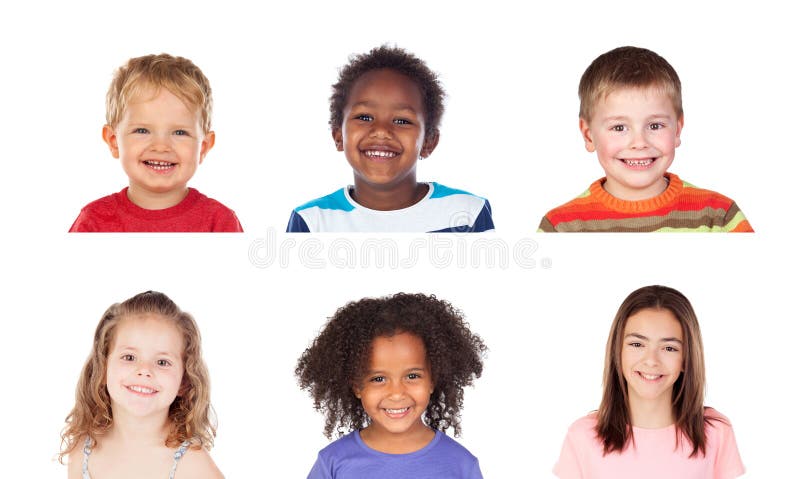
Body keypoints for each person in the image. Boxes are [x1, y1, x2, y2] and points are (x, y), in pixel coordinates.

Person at [539, 46, 753, 232]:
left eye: (654, 126)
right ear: (588, 135)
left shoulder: (718, 217)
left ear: (677, 130)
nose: (639, 143)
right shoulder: (561, 226)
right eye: (619, 127)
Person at [287, 45, 494, 232]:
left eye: (402, 121)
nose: (382, 131)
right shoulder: (312, 222)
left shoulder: (468, 213)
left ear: (429, 142)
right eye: (364, 117)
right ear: (338, 136)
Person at [554, 285, 744, 478]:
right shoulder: (582, 436)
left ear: (686, 360)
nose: (651, 361)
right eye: (637, 344)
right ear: (617, 352)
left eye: (669, 348)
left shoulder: (715, 432)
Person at [296, 293, 486, 478]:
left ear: (433, 380)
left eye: (412, 376)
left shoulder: (460, 465)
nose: (396, 394)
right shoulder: (333, 462)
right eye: (378, 379)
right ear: (357, 386)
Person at [70, 54, 243, 232]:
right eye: (142, 131)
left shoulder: (220, 223)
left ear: (203, 147)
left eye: (180, 132)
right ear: (114, 141)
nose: (161, 146)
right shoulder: (93, 222)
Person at [60, 291, 223, 478]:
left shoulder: (194, 467)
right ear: (102, 369)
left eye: (162, 362)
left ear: (184, 382)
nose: (144, 370)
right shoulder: (83, 451)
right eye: (129, 357)